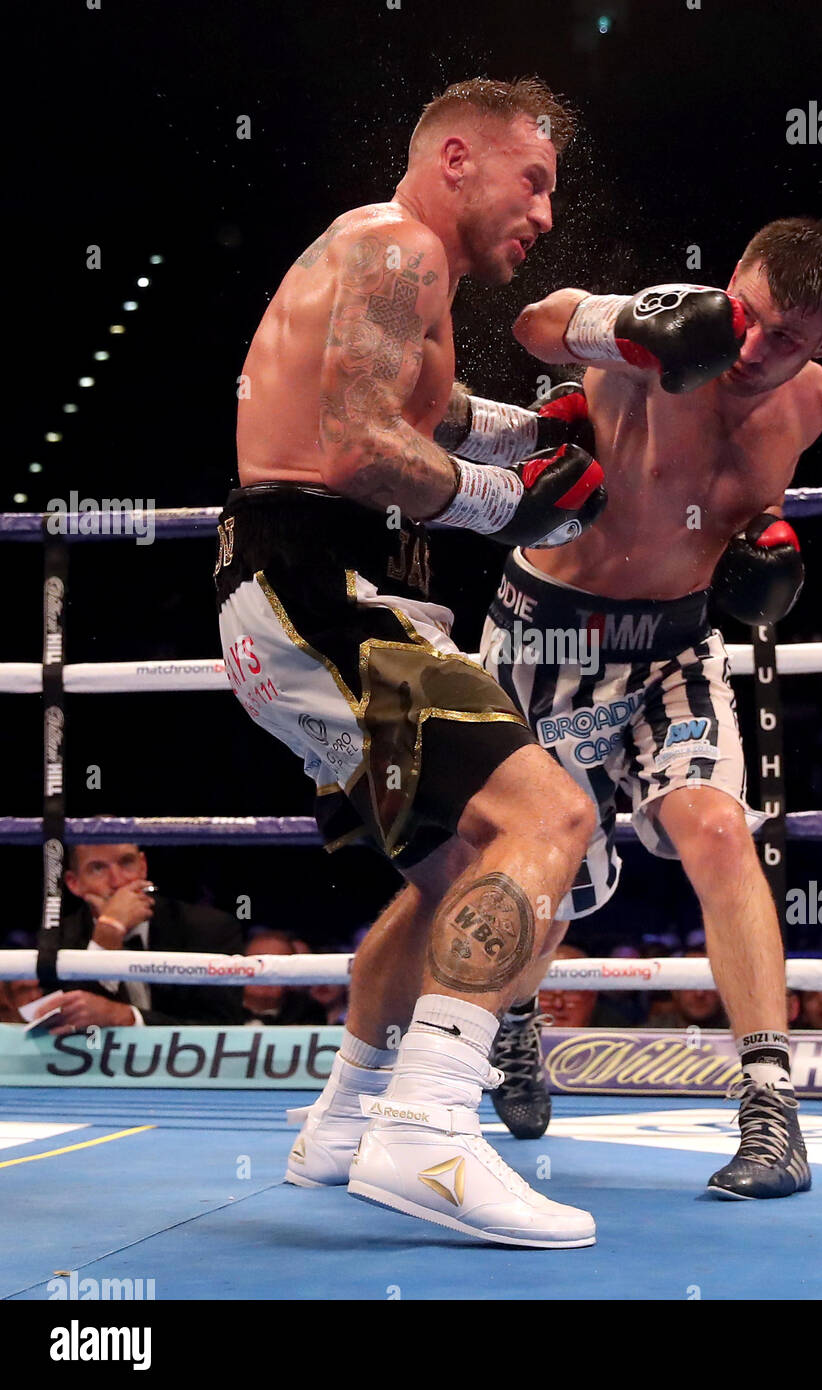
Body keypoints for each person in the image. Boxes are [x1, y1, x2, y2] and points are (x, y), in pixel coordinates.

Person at [218, 78, 607, 1247]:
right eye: (531, 180)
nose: (543, 213)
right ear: (453, 156)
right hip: (321, 588)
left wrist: (539, 433)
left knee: (449, 881)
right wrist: (509, 507)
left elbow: (423, 412)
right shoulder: (400, 248)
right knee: (553, 816)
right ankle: (428, 1130)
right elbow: (355, 441)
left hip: (298, 597)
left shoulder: (394, 268)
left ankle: (342, 1121)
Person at [476, 217, 822, 1198]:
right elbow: (534, 323)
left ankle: (772, 1113)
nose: (754, 348)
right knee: (540, 875)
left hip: (674, 648)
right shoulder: (659, 343)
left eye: (787, 338)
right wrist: (622, 319)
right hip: (547, 637)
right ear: (730, 278)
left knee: (719, 831)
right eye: (751, 316)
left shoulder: (807, 405)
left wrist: (759, 541)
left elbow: (731, 505)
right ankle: (515, 1022)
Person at [46, 843, 245, 1031]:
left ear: (143, 866)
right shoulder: (56, 939)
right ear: (74, 883)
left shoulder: (209, 929)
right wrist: (105, 939)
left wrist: (129, 1018)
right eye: (98, 868)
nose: (118, 881)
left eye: (126, 862)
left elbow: (223, 1025)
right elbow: (61, 1022)